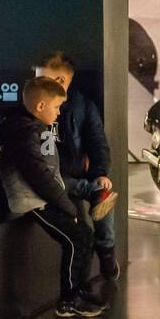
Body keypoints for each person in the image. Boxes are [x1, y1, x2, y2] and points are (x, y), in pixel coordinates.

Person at [0, 77, 106, 318]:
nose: (58, 113)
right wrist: (68, 207)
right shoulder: (24, 132)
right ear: (40, 107)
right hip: (33, 201)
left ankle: (80, 290)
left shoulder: (36, 129)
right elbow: (38, 175)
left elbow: (50, 168)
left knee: (84, 236)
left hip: (44, 198)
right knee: (76, 239)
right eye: (56, 107)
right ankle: (68, 300)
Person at [39, 52, 121, 281]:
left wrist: (100, 173)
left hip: (74, 177)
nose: (37, 82)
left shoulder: (83, 107)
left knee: (102, 190)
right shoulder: (35, 107)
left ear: (60, 82)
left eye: (43, 78)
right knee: (94, 193)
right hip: (50, 180)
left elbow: (98, 144)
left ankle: (106, 252)